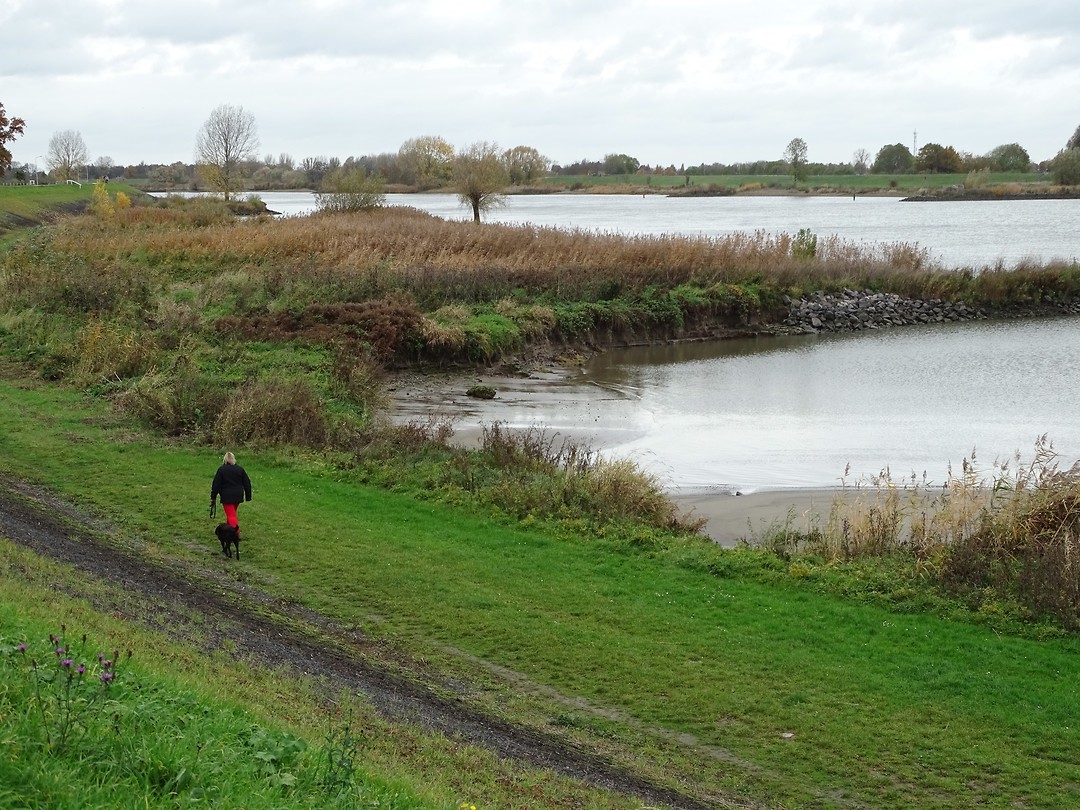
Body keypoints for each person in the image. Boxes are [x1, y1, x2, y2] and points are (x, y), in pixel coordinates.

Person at [210, 452, 252, 535]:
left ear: (225, 460)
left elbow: (216, 484)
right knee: (231, 514)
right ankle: (228, 531)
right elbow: (247, 483)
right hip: (238, 495)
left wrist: (213, 497)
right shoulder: (240, 469)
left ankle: (235, 533)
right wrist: (248, 496)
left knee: (231, 515)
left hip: (226, 496)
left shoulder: (221, 470)